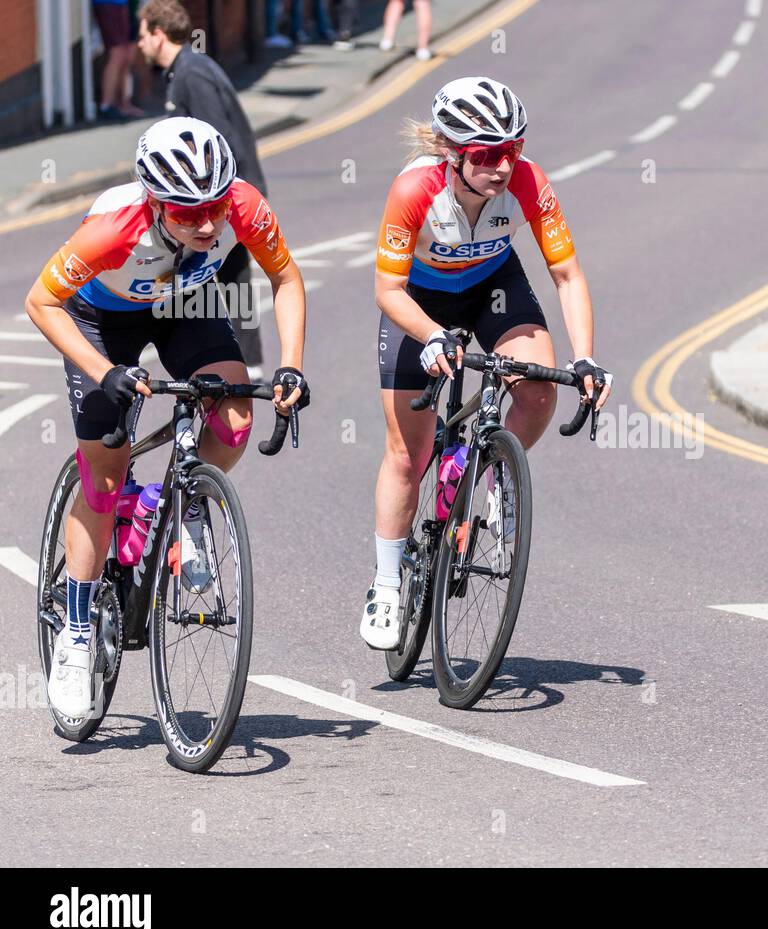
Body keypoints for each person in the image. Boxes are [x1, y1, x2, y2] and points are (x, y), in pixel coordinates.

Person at [24, 117, 310, 719]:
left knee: (232, 418)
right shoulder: (115, 228)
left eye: (213, 207)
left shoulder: (242, 206)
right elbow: (41, 301)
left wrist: (290, 366)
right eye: (187, 213)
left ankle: (191, 504)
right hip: (101, 320)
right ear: (154, 202)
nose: (208, 224)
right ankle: (76, 637)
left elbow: (285, 277)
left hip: (185, 306)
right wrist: (105, 372)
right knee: (104, 476)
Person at [360, 76, 611, 648]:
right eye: (487, 155)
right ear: (452, 153)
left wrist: (587, 357)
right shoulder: (415, 189)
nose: (503, 166)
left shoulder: (526, 180)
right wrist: (430, 336)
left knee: (538, 389)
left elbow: (567, 274)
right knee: (409, 453)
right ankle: (388, 582)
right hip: (418, 300)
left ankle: (493, 469)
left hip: (493, 283)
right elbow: (387, 290)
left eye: (513, 150)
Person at [138, 0, 270, 378]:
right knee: (229, 277)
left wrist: (214, 203)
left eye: (143, 35)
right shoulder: (190, 67)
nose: (140, 44)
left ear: (159, 34)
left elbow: (219, 139)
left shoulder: (191, 74)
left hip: (223, 199)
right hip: (221, 198)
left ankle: (243, 367)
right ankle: (248, 365)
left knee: (220, 278)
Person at [93, 0, 145, 119]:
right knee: (118, 52)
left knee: (126, 54)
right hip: (109, 4)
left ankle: (122, 104)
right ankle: (106, 104)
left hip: (122, 5)